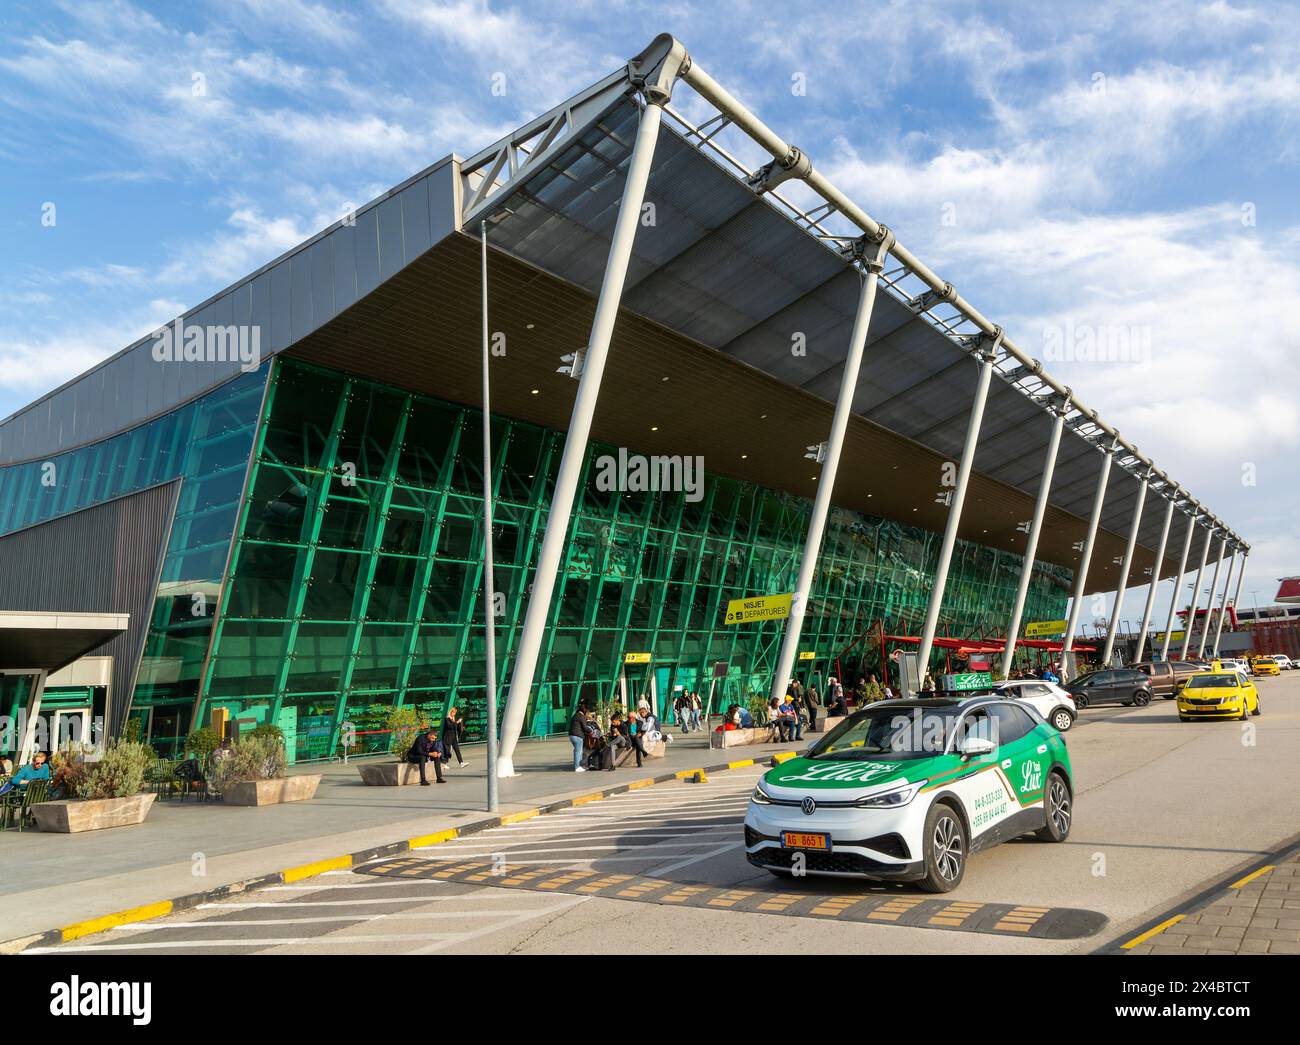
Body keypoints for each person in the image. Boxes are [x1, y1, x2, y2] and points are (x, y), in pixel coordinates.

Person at [568, 701, 590, 772]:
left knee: (576, 751)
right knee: (579, 751)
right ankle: (578, 767)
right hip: (578, 736)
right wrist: (591, 730)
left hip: (571, 736)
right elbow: (585, 727)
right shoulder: (581, 716)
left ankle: (577, 766)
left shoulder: (575, 715)